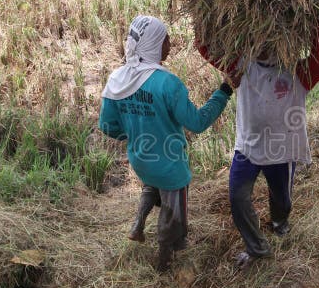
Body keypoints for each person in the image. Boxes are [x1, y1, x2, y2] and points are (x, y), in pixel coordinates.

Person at [99, 15, 233, 271]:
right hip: (170, 165)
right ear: (152, 43)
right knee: (173, 211)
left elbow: (107, 125)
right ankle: (165, 256)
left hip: (141, 160)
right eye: (165, 39)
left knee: (151, 184)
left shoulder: (117, 79)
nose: (170, 44)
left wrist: (135, 136)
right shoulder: (167, 83)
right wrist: (224, 91)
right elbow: (197, 122)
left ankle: (138, 223)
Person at [201, 15, 319, 269]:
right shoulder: (240, 66)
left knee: (282, 200)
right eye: (259, 36)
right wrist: (205, 8)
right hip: (247, 148)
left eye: (271, 36)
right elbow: (204, 46)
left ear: (284, 37)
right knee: (238, 198)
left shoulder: (298, 72)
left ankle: (279, 222)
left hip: (282, 151)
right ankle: (256, 247)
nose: (265, 44)